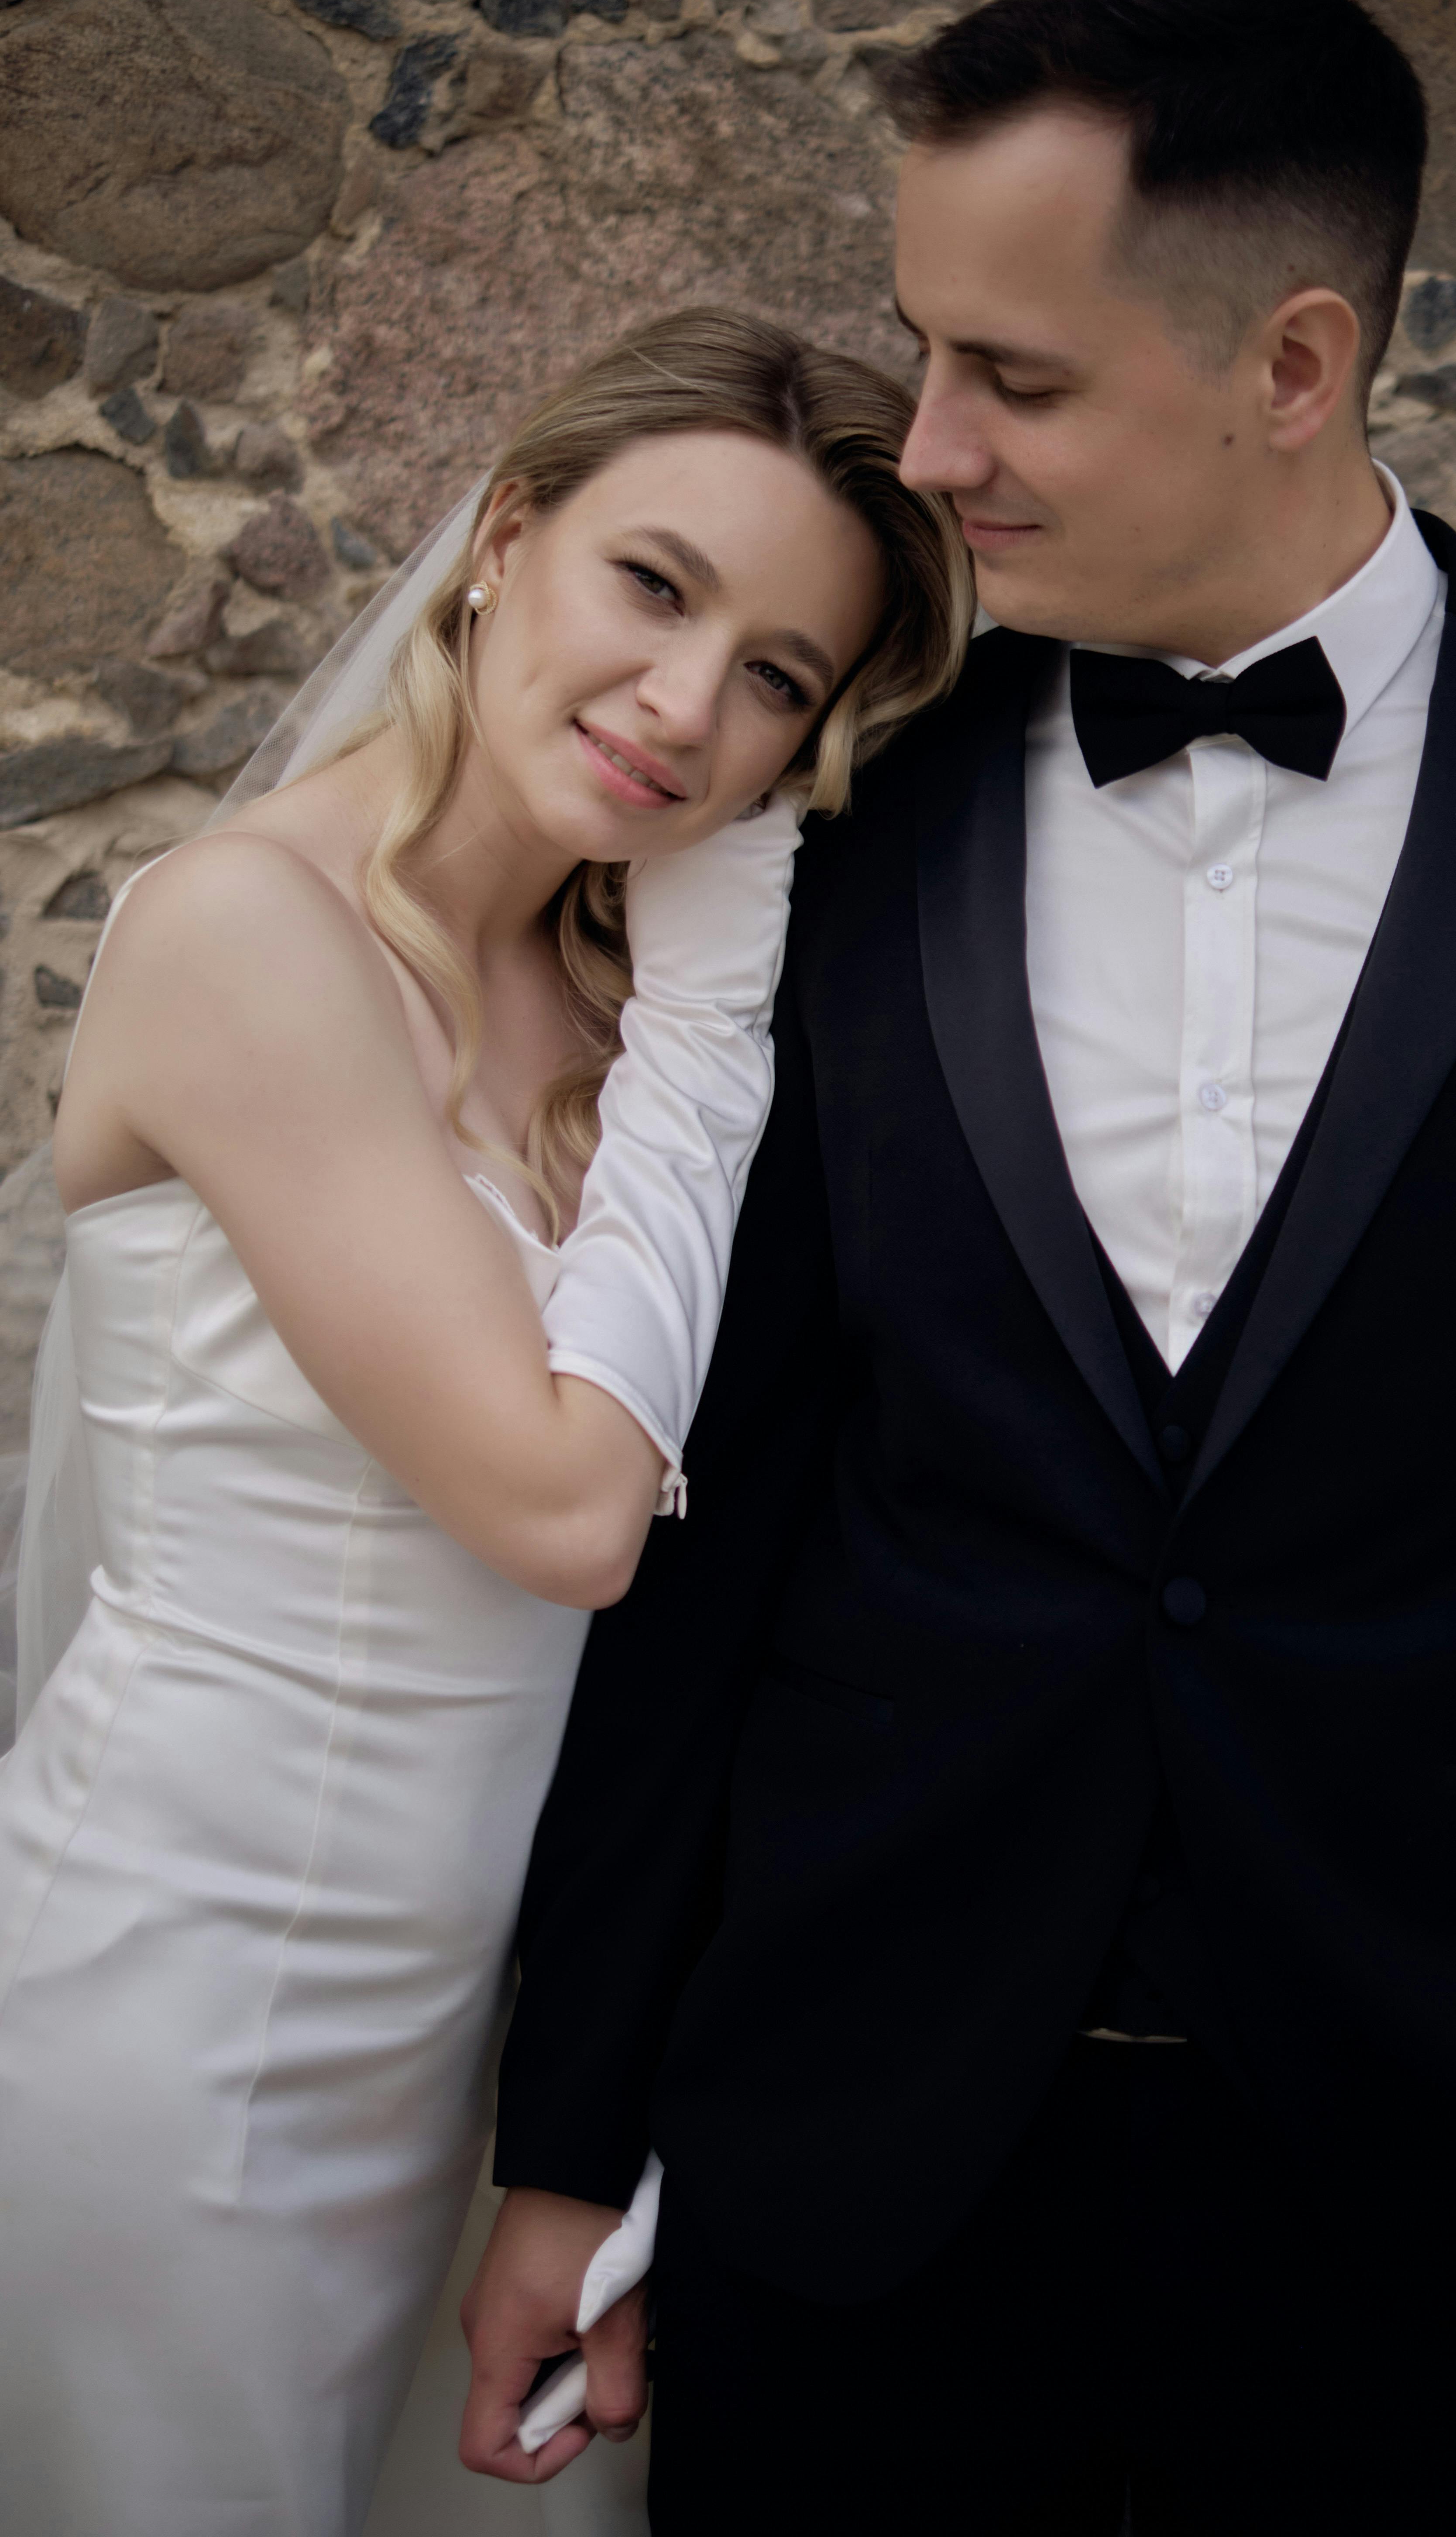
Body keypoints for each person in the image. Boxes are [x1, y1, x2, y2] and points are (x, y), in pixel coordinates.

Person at [461, 0, 1456, 2537]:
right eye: (927, 353)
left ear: (1293, 361)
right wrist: (568, 2139)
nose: (926, 449)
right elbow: (722, 1520)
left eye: (1012, 378)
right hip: (851, 2163)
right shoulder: (838, 811)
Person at [0, 306, 968, 2537]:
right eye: (655, 585)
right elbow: (565, 1508)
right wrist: (722, 1027)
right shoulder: (253, 937)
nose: (683, 707)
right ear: (504, 539)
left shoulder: (600, 993)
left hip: (475, 2049)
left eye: (775, 677)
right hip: (190, 2019)